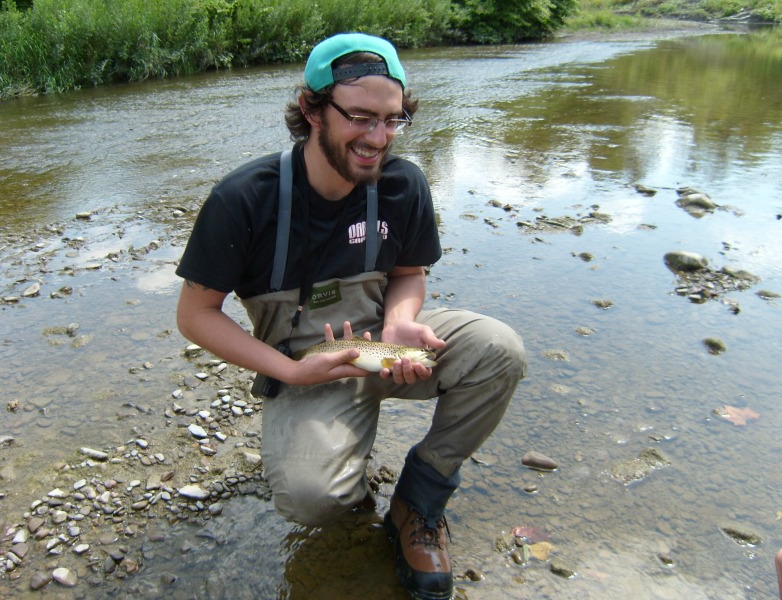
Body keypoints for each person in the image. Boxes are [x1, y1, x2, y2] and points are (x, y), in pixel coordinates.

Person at [175, 32, 526, 600]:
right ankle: (352, 493)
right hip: (308, 369)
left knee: (499, 350)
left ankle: (419, 501)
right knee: (312, 499)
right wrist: (290, 373)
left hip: (387, 349)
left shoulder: (403, 185)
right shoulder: (244, 200)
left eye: (392, 120)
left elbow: (409, 273)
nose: (377, 138)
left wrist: (400, 321)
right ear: (313, 110)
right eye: (360, 117)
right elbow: (195, 315)